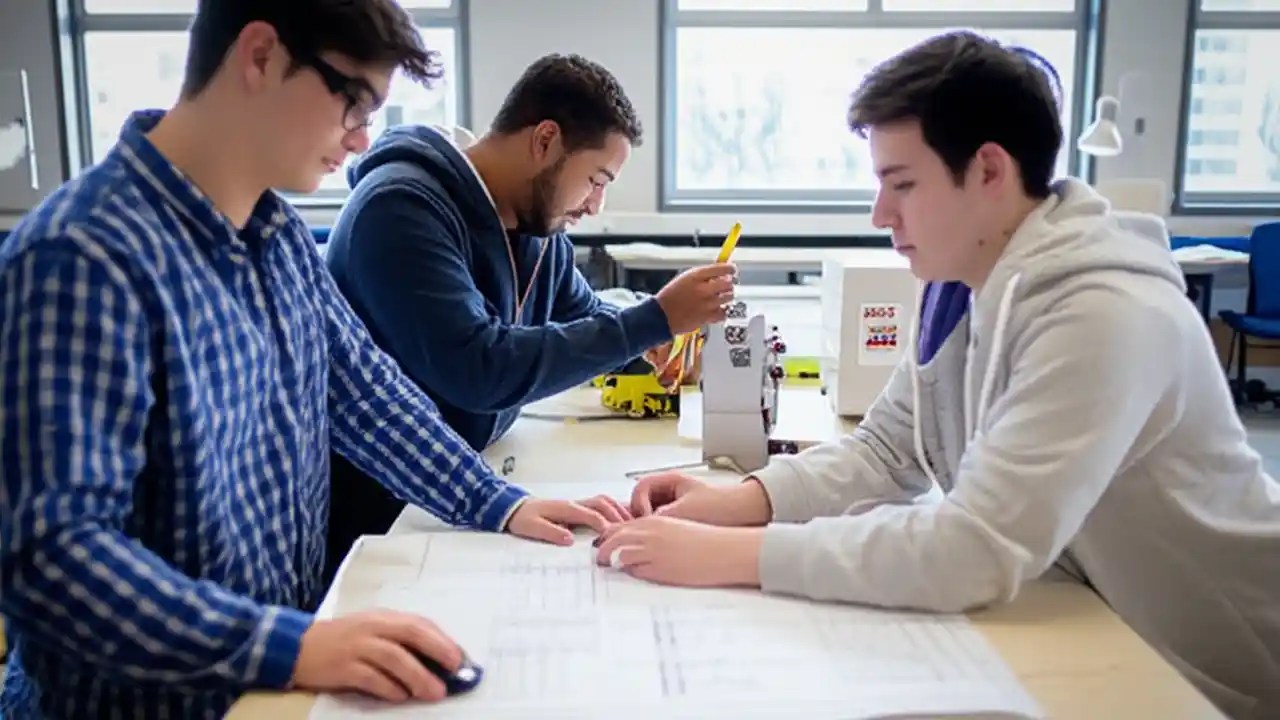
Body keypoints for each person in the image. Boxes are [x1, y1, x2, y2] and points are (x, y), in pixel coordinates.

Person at [593, 30, 1280, 720]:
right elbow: (892, 450)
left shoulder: (1105, 313)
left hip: (1216, 672)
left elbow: (973, 548)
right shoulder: (966, 284)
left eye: (903, 184)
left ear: (988, 171)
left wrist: (728, 554)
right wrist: (740, 502)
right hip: (1100, 622)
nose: (879, 215)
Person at [0, 2, 629, 718]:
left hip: (272, 682)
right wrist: (292, 646)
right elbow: (53, 563)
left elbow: (365, 397)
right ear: (261, 56)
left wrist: (497, 503)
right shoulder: (81, 258)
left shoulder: (279, 238)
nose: (362, 140)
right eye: (353, 102)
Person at [321, 53, 735, 575]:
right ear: (544, 141)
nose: (595, 206)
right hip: (388, 518)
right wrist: (653, 320)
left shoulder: (537, 230)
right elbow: (480, 369)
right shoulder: (399, 210)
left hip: (468, 492)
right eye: (597, 178)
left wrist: (650, 349)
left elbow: (583, 316)